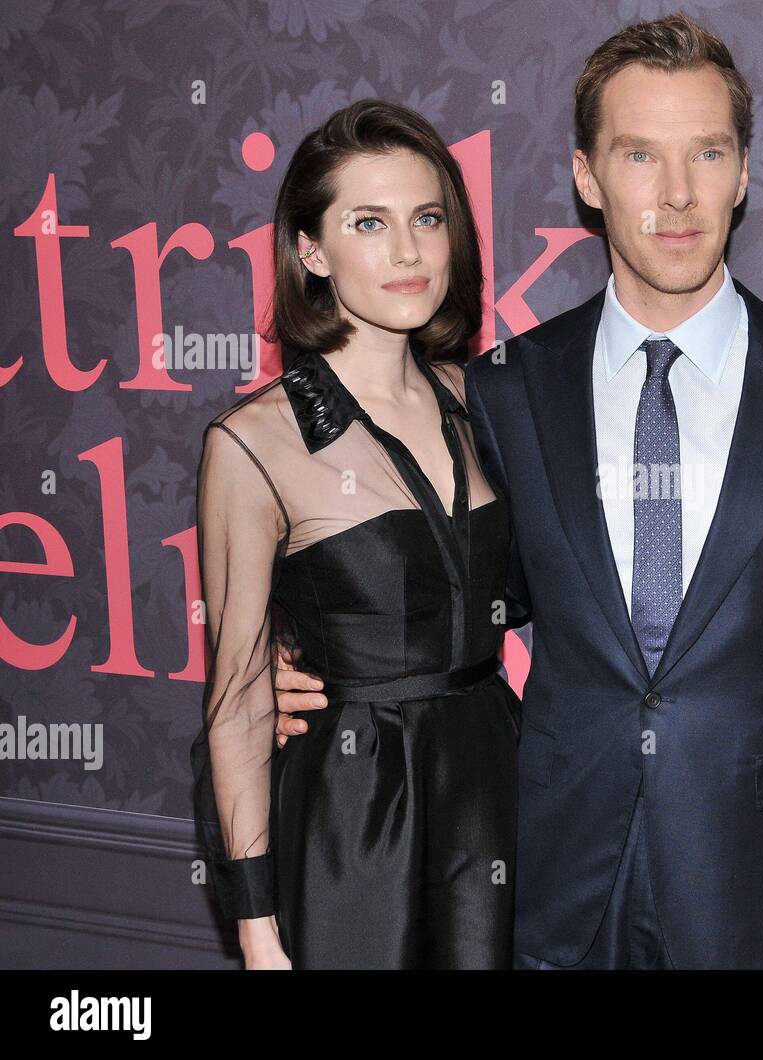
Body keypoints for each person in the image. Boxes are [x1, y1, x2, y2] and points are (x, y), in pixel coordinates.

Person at [274, 17, 763, 969]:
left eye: (708, 152)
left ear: (742, 173)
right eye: (639, 156)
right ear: (587, 178)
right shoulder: (505, 388)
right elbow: (467, 591)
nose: (678, 194)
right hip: (552, 871)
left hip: (762, 877)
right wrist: (335, 672)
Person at [190, 98, 519, 969]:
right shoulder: (254, 442)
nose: (408, 252)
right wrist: (258, 933)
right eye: (368, 223)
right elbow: (235, 705)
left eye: (427, 218)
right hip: (352, 806)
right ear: (310, 250)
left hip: (496, 787)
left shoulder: (478, 399)